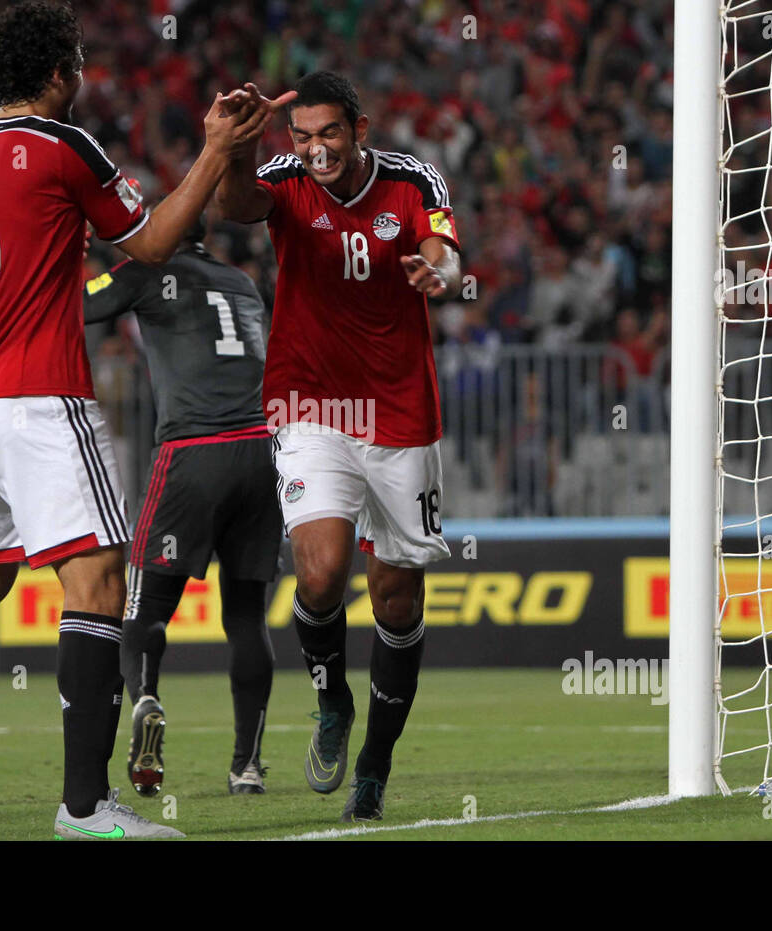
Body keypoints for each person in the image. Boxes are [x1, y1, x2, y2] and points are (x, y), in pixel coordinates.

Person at [0, 0, 290, 841]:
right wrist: (216, 149)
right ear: (59, 73)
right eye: (79, 64)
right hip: (43, 398)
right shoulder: (67, 147)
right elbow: (157, 242)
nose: (84, 77)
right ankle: (86, 806)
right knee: (99, 586)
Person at [216, 71, 464, 821]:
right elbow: (234, 206)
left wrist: (438, 271)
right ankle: (331, 699)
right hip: (310, 402)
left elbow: (446, 249)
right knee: (319, 573)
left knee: (395, 593)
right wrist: (237, 147)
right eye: (303, 136)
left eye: (328, 133)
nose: (315, 149)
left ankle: (376, 765)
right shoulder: (282, 175)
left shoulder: (412, 176)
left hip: (399, 413)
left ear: (359, 128)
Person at [84, 212, 281, 797]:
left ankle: (145, 695)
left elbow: (75, 305)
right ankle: (246, 764)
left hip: (193, 453)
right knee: (246, 616)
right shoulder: (242, 281)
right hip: (262, 452)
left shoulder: (147, 268)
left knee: (143, 610)